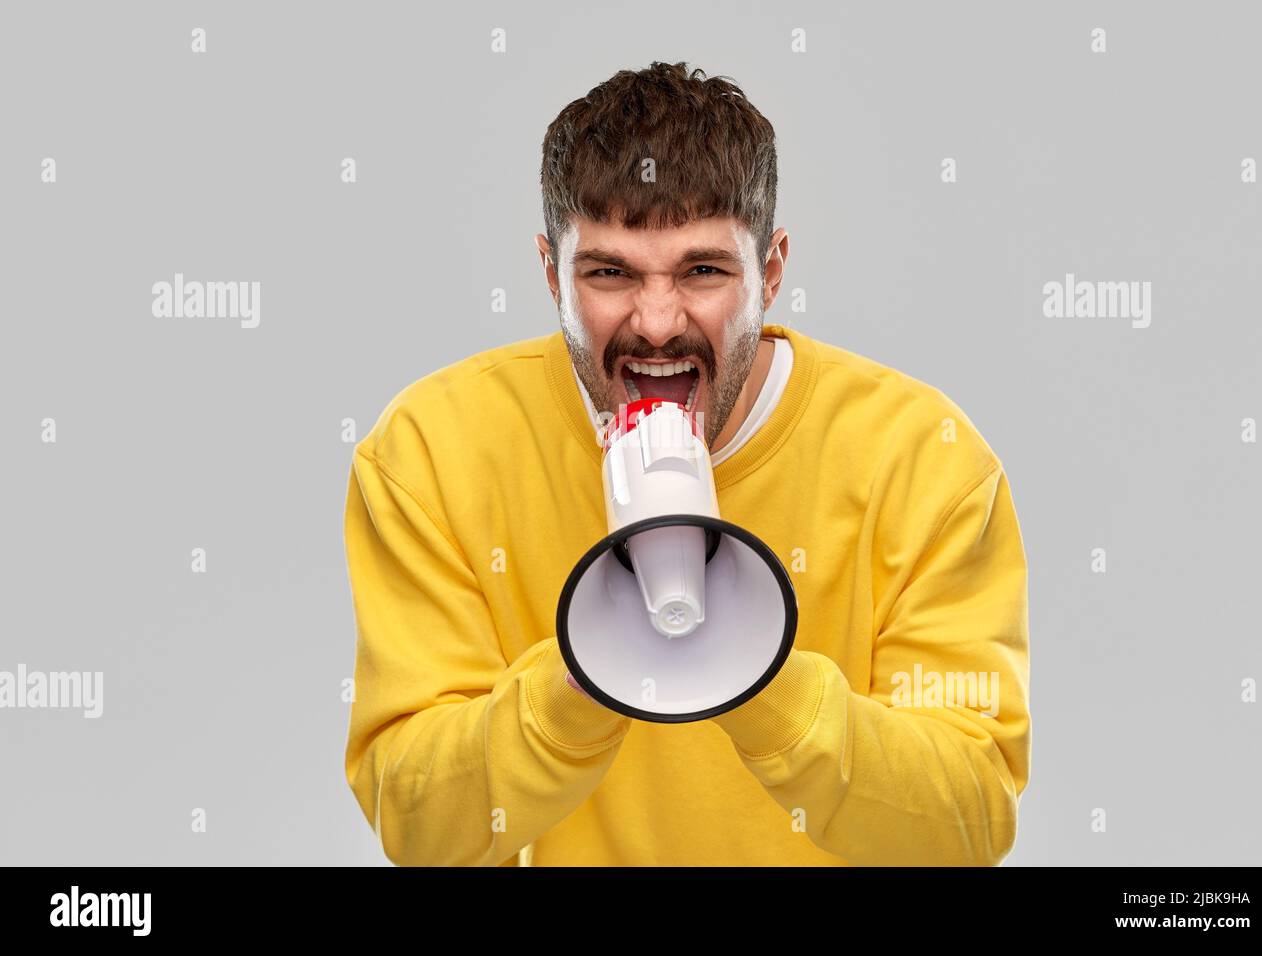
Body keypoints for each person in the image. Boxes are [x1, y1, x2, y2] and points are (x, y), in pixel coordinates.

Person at [342, 61, 1030, 866]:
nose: (658, 322)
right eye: (609, 272)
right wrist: (583, 675)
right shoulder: (432, 451)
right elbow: (421, 827)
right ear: (548, 274)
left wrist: (756, 675)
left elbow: (967, 827)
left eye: (703, 271)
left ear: (771, 271)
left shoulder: (924, 460)